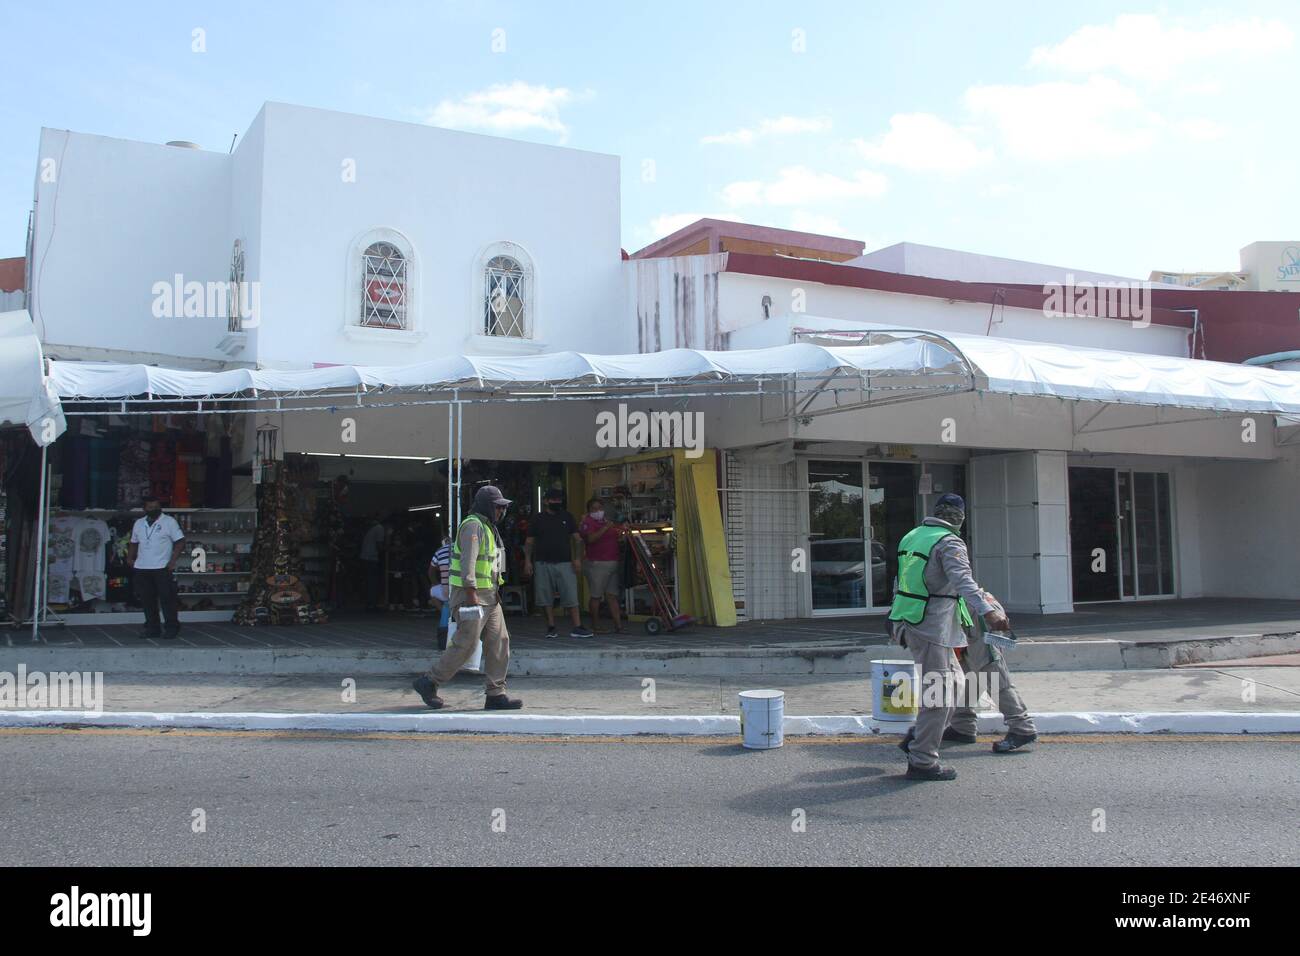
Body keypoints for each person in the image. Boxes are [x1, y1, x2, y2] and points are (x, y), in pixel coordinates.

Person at [888, 493, 1007, 781]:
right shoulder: (949, 541)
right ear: (959, 518)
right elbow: (963, 581)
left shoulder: (913, 535)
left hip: (912, 620)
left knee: (953, 686)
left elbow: (901, 580)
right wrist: (990, 613)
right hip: (931, 625)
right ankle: (922, 760)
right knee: (940, 695)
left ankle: (920, 738)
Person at [413, 486, 522, 710]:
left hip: (490, 596)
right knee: (467, 644)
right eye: (498, 507)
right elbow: (468, 564)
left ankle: (495, 693)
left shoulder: (488, 527)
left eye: (503, 507)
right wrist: (471, 592)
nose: (501, 511)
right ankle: (429, 681)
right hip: (471, 595)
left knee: (500, 642)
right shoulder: (473, 526)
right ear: (486, 506)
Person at [948, 589, 1039, 753]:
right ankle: (963, 726)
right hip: (964, 608)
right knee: (967, 670)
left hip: (974, 610)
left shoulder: (945, 562)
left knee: (991, 671)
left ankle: (1022, 728)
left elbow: (961, 580)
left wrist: (989, 612)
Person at [525, 489, 594, 638]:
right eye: (553, 500)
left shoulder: (567, 517)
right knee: (545, 596)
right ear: (545, 501)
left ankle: (577, 626)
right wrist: (527, 561)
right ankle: (551, 626)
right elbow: (529, 542)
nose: (557, 502)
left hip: (565, 562)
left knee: (571, 594)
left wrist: (577, 559)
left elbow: (578, 539)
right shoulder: (537, 519)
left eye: (559, 499)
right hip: (542, 562)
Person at [128, 495, 186, 641]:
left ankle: (171, 628)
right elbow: (134, 542)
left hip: (162, 567)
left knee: (167, 599)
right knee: (147, 600)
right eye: (151, 507)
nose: (154, 509)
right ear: (144, 508)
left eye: (156, 507)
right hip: (142, 567)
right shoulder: (139, 523)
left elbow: (180, 542)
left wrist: (172, 561)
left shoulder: (169, 522)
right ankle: (152, 628)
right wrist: (130, 558)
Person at [578, 497, 627, 634]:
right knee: (596, 596)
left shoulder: (605, 521)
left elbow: (616, 535)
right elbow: (590, 539)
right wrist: (606, 528)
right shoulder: (587, 522)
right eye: (594, 509)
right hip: (597, 563)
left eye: (600, 508)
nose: (598, 511)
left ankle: (618, 626)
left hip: (612, 562)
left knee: (612, 595)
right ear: (589, 510)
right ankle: (595, 625)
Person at [360, 515, 386, 611]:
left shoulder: (371, 529)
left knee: (368, 581)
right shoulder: (380, 529)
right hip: (371, 557)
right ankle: (372, 603)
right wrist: (386, 549)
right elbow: (379, 546)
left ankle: (368, 602)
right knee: (372, 581)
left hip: (365, 556)